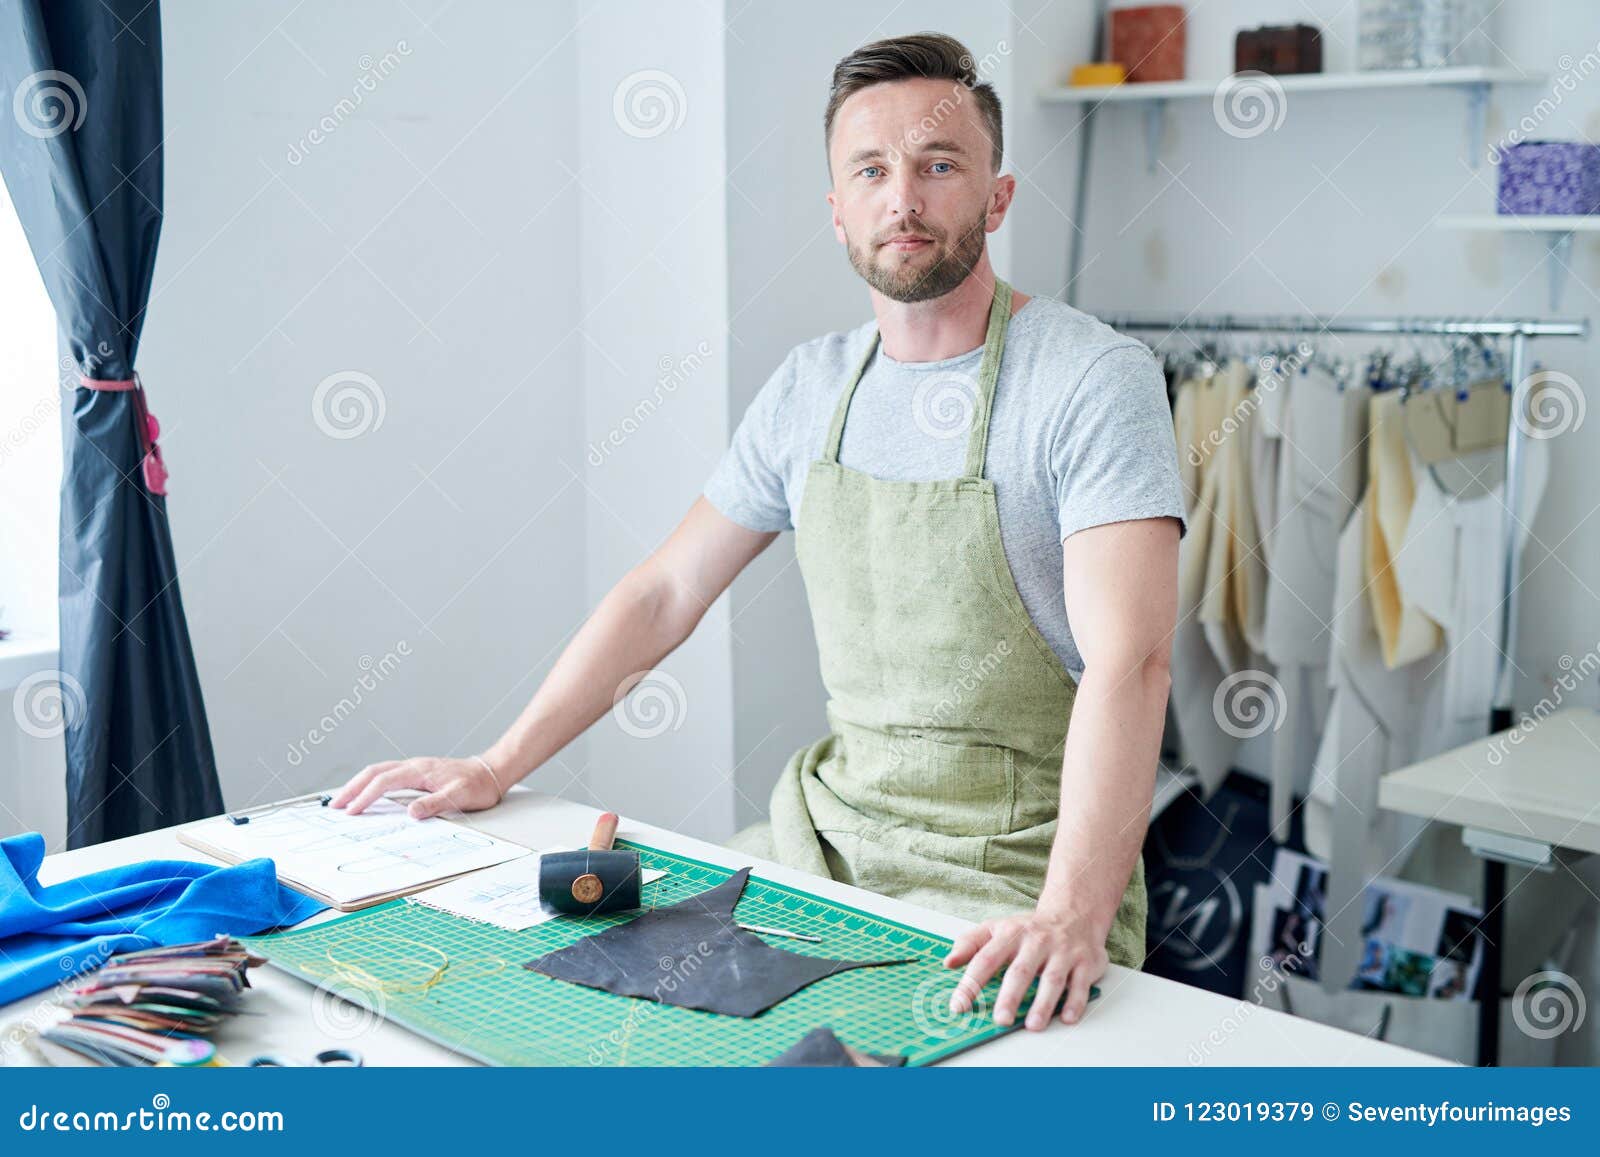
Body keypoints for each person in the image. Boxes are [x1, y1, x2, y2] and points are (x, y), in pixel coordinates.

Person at [333, 31, 1184, 1033]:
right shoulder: (808, 390)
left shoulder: (1092, 381)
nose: (902, 199)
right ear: (837, 211)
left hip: (1012, 876)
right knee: (596, 1012)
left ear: (996, 198)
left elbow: (1132, 661)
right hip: (820, 843)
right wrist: (496, 764)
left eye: (938, 165)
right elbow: (665, 592)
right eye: (870, 171)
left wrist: (1070, 914)